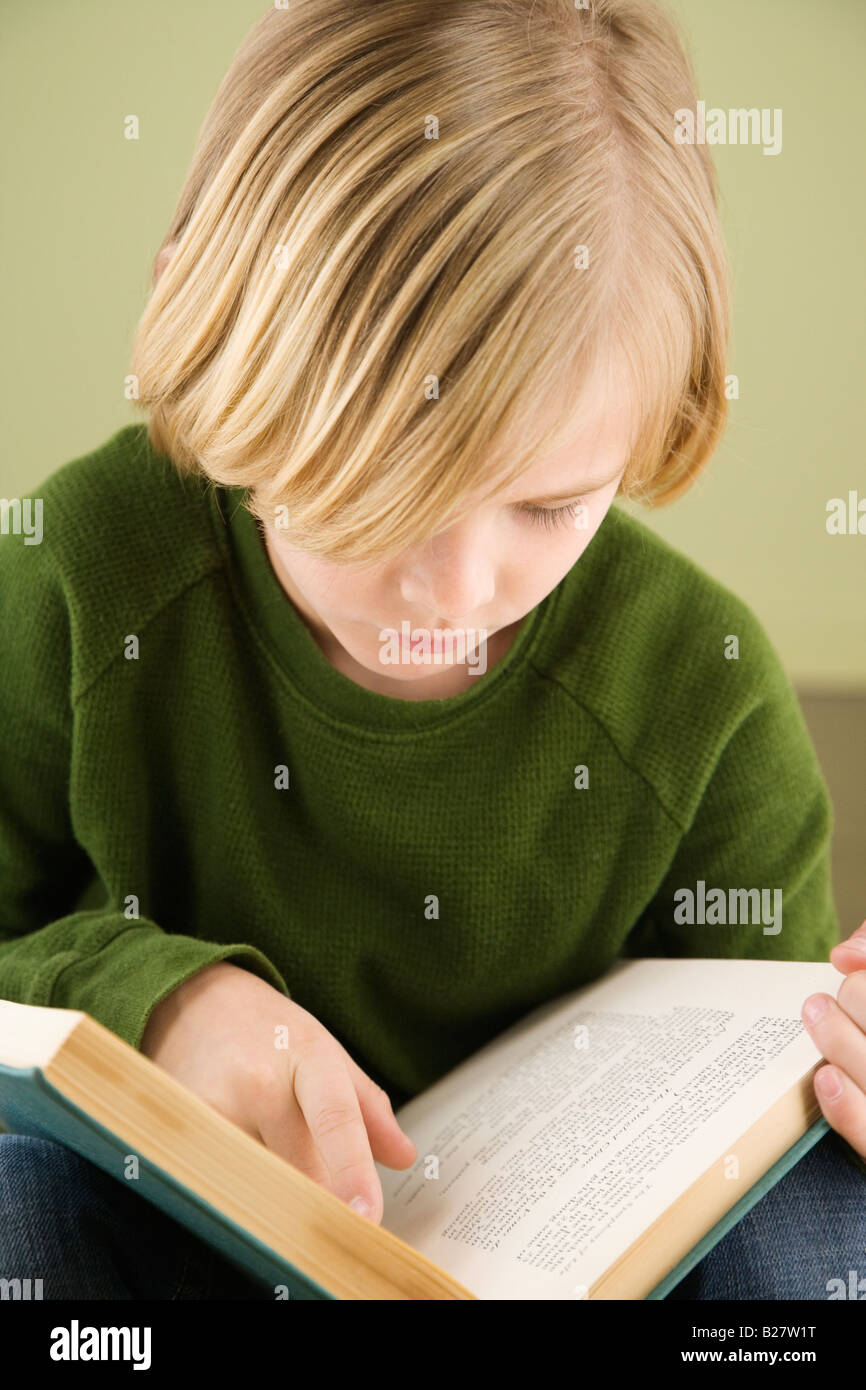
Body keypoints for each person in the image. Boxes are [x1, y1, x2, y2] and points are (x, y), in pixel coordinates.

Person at [1, 0, 863, 1301]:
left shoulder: (700, 692)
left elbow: (742, 1122)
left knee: (818, 1238)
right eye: (382, 489)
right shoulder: (79, 571)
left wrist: (831, 1071)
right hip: (155, 1237)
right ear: (231, 353)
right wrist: (155, 1005)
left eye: (548, 504)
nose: (456, 586)